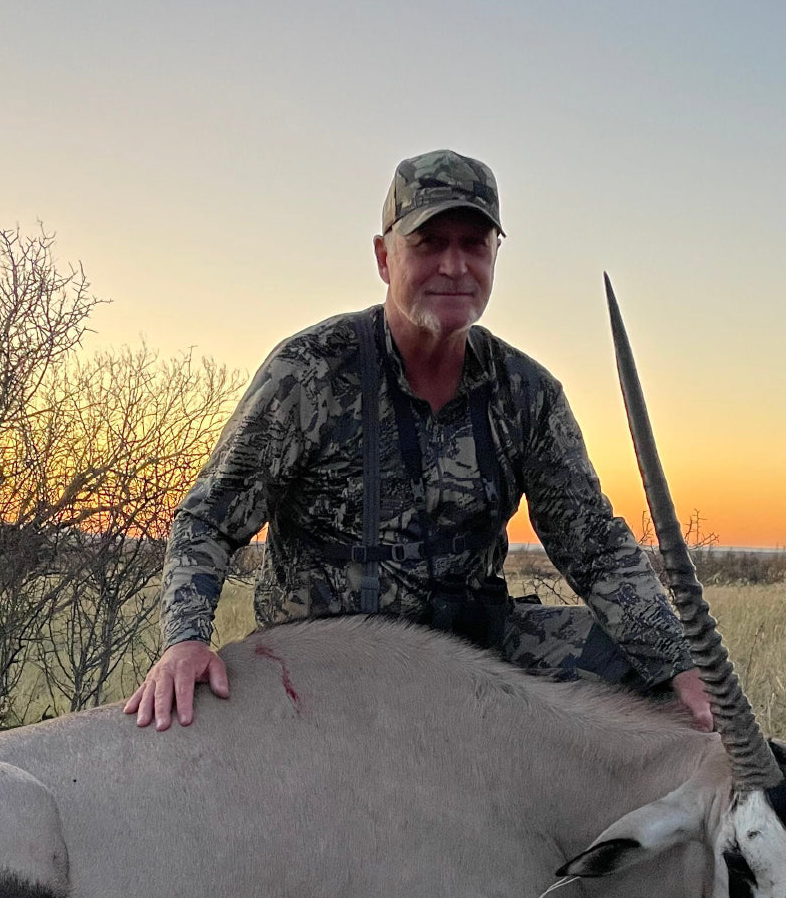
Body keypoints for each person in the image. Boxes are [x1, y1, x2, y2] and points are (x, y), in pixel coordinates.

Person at [126, 149, 711, 733]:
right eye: (429, 243)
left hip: (473, 653)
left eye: (474, 244)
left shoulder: (528, 393)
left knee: (642, 670)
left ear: (495, 256)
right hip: (326, 662)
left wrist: (679, 667)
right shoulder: (308, 372)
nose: (455, 266)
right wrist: (185, 640)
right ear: (384, 257)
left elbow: (595, 546)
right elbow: (207, 519)